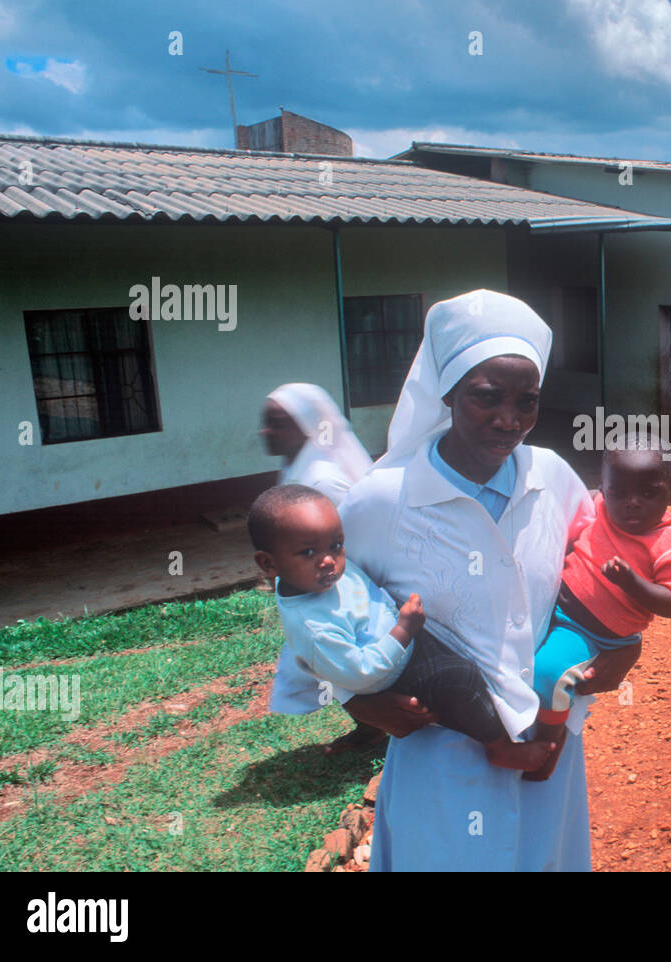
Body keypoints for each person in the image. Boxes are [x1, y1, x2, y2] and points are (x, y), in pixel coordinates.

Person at [337, 289, 641, 871]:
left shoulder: (552, 479)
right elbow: (318, 606)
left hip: (545, 745)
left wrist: (626, 646)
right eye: (486, 397)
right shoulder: (382, 500)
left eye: (526, 401)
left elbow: (600, 576)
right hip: (440, 751)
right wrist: (356, 698)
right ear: (446, 392)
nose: (509, 419)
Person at [248, 484, 556, 771]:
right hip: (392, 672)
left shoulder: (315, 579)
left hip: (400, 642)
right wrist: (404, 630)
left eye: (336, 545)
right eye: (308, 552)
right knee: (458, 679)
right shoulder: (312, 626)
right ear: (268, 564)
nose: (329, 560)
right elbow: (359, 672)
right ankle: (499, 746)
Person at [526, 441, 671, 781]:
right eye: (619, 493)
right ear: (604, 490)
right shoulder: (600, 505)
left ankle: (544, 752)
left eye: (648, 494)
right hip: (554, 610)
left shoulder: (667, 544)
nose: (632, 503)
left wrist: (633, 583)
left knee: (547, 673)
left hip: (589, 632)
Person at [259, 383, 383, 752]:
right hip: (319, 587)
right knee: (322, 660)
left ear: (307, 425)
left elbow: (352, 539)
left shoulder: (321, 478)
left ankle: (381, 724)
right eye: (267, 423)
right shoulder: (299, 467)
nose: (267, 433)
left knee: (334, 659)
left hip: (340, 588)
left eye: (278, 423)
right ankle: (373, 725)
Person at [261, 383, 372, 506]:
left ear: (305, 427)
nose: (265, 431)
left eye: (278, 425)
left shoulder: (322, 484)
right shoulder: (291, 466)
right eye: (266, 423)